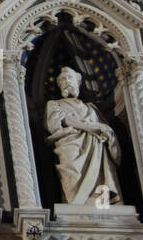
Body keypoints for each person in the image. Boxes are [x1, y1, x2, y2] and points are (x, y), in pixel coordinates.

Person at [45, 66, 121, 206]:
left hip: (96, 148)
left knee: (100, 178)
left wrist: (106, 132)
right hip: (71, 145)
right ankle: (77, 204)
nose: (66, 81)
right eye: (62, 79)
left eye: (70, 78)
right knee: (72, 174)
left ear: (78, 82)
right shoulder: (55, 104)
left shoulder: (92, 108)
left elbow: (104, 129)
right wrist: (89, 127)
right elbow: (55, 125)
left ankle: (102, 204)